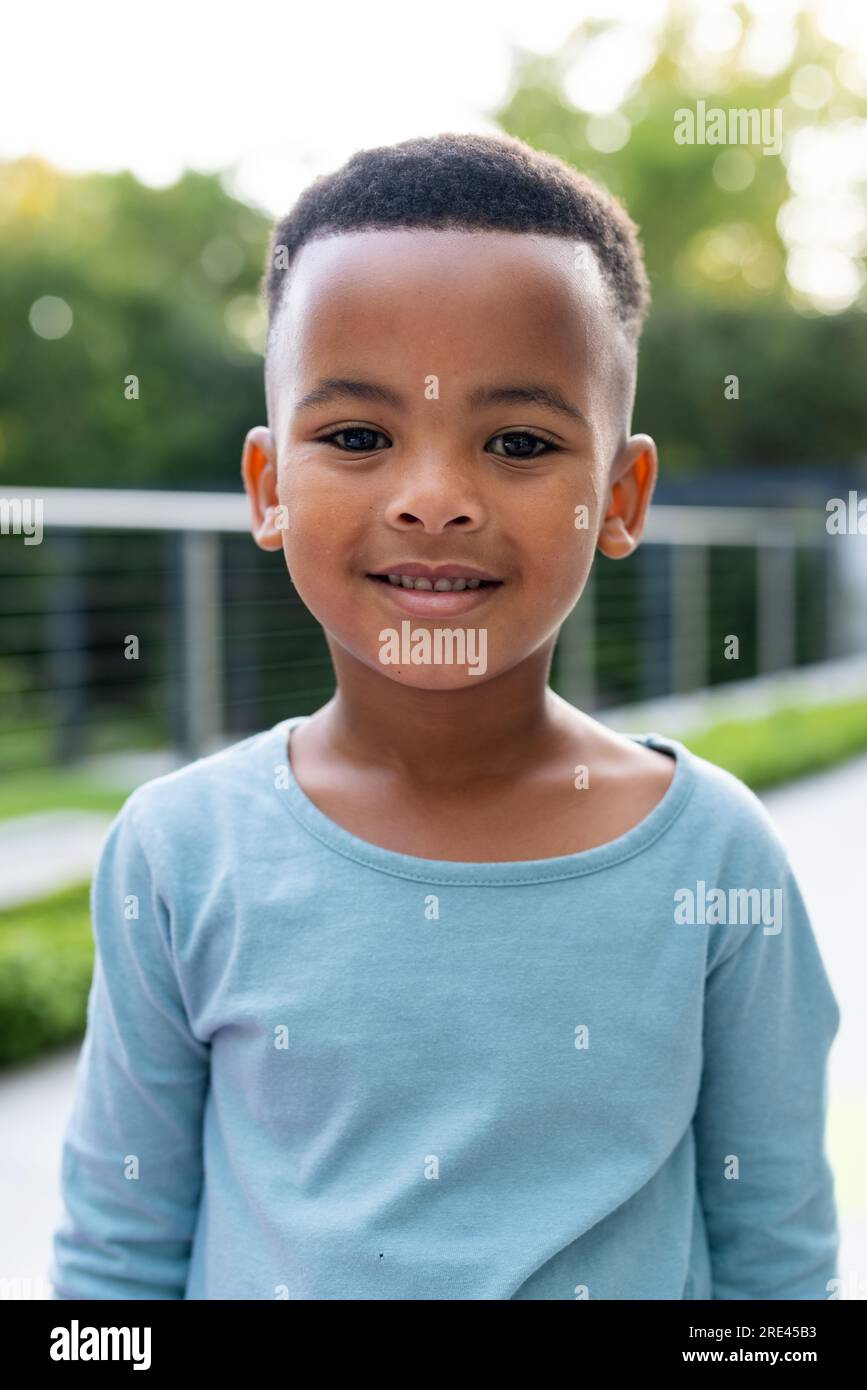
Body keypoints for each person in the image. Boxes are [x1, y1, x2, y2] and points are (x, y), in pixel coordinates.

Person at [50, 132, 840, 1300]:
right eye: (358, 437)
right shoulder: (178, 853)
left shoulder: (716, 856)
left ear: (621, 496)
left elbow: (777, 1265)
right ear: (268, 488)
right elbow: (116, 1257)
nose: (433, 500)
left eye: (518, 442)